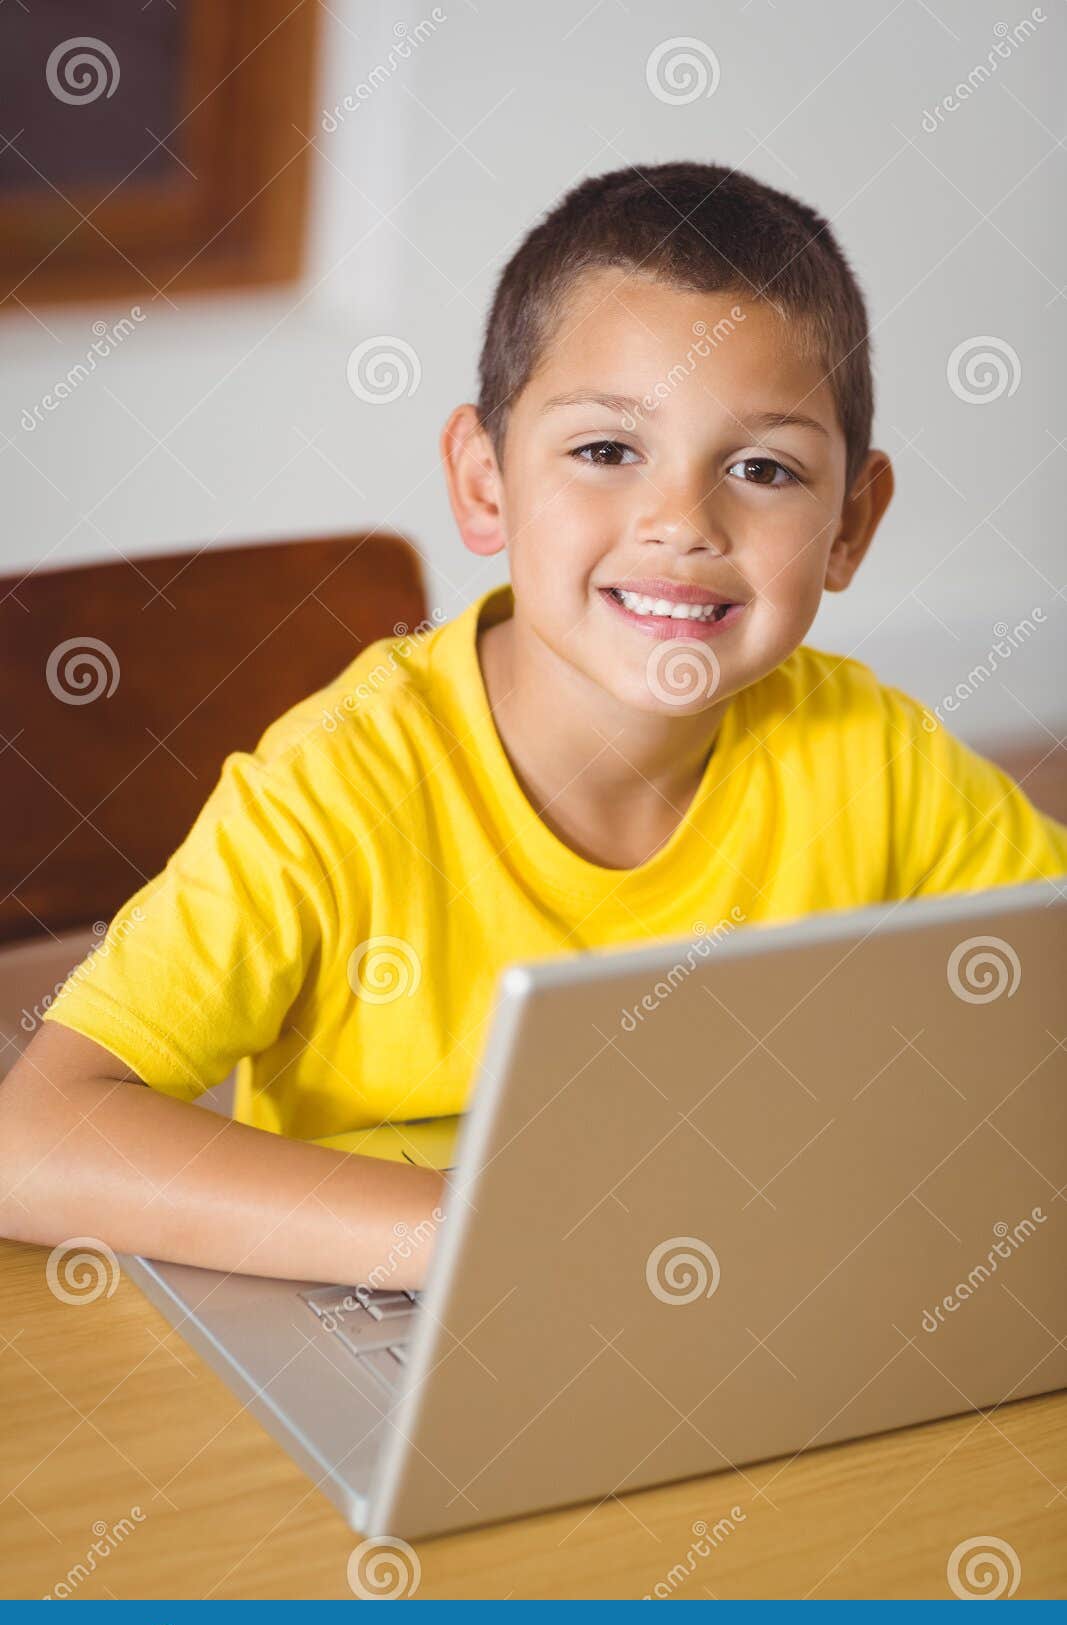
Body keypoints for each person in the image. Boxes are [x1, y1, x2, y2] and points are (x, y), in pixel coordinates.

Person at [3, 161, 1064, 1290]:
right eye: (607, 450)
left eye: (761, 468)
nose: (679, 524)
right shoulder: (334, 787)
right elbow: (32, 1143)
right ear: (484, 481)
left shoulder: (880, 760)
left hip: (748, 1294)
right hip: (409, 1307)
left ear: (848, 525)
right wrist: (505, 1245)